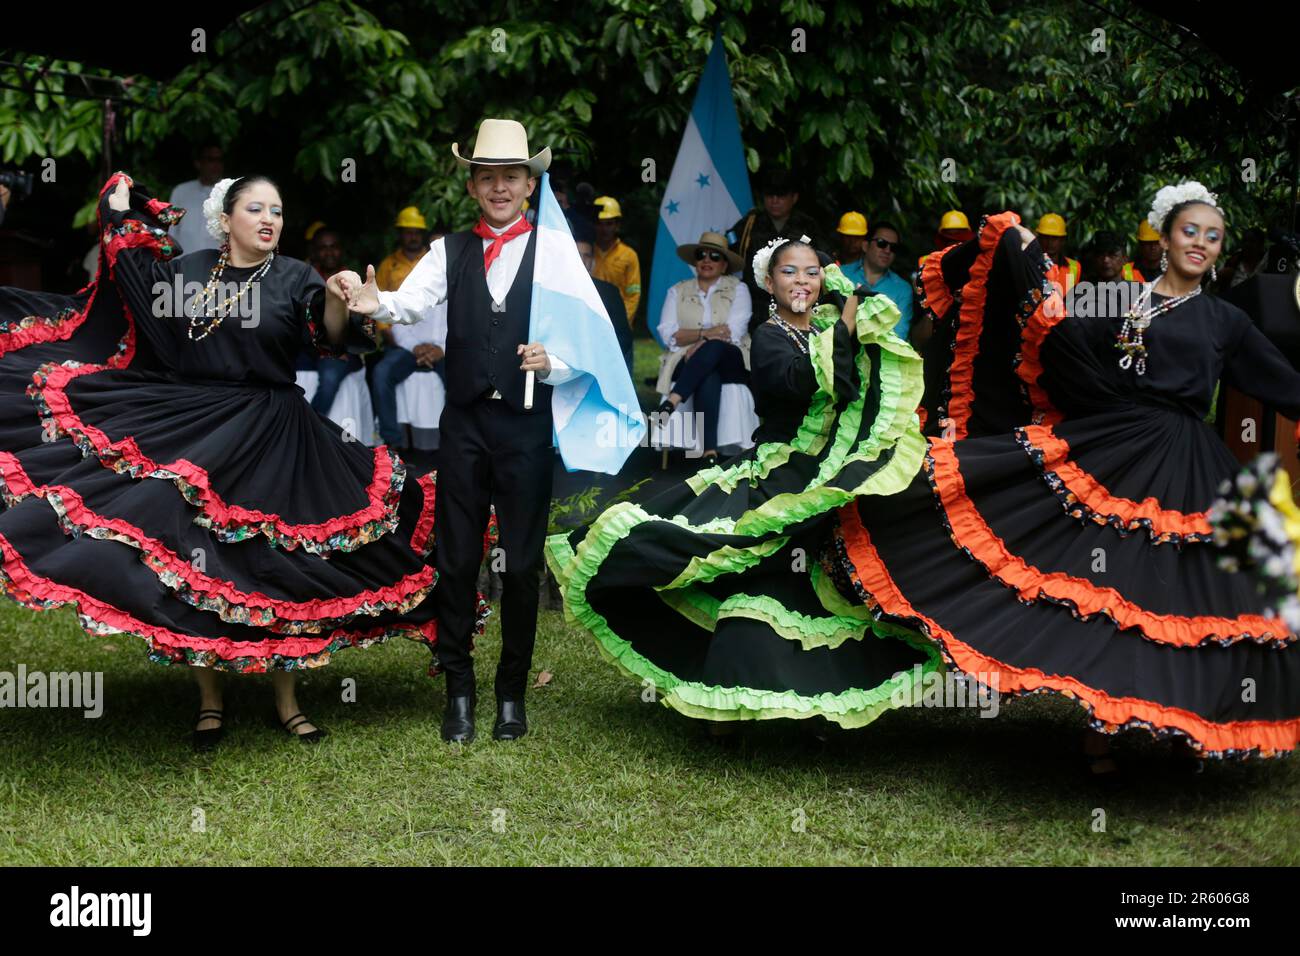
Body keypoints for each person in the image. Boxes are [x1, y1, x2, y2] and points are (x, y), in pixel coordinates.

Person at [829, 182, 1300, 769]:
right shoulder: (1118, 299)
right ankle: (1099, 725)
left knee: (1186, 594)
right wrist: (1027, 258)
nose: (1200, 243)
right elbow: (1060, 341)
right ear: (1163, 236)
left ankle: (1174, 716)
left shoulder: (1226, 320)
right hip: (1117, 446)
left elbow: (1282, 383)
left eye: (1213, 236)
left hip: (1187, 458)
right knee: (1104, 586)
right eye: (1189, 231)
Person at [0, 172, 462, 751]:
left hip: (275, 427)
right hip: (198, 425)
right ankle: (209, 701)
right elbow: (135, 292)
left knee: (280, 558)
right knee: (196, 557)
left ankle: (288, 702)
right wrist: (119, 209)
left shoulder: (295, 275)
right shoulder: (189, 272)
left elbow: (330, 336)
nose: (269, 219)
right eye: (256, 209)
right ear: (227, 218)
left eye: (277, 210)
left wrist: (344, 303)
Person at [546, 236, 942, 737]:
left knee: (808, 586)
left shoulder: (822, 327)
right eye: (790, 272)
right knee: (758, 571)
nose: (802, 281)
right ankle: (730, 702)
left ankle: (806, 701)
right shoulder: (769, 336)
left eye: (812, 272)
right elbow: (804, 383)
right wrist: (846, 319)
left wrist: (849, 316)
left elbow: (855, 385)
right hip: (778, 477)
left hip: (823, 473)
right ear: (769, 284)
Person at [343, 118, 579, 744]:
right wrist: (374, 304)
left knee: (524, 563)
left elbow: (592, 345)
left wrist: (552, 363)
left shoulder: (555, 249)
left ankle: (511, 695)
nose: (499, 187)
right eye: (487, 177)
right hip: (466, 423)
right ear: (473, 185)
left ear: (529, 184)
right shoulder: (449, 249)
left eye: (511, 176)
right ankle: (460, 692)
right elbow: (411, 302)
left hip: (527, 427)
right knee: (456, 558)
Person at [652, 231, 752, 465]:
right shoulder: (677, 290)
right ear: (695, 261)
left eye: (715, 256)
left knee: (716, 348)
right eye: (701, 255)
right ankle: (710, 451)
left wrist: (699, 341)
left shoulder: (738, 289)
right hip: (685, 358)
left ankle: (673, 401)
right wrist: (707, 334)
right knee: (709, 372)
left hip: (731, 358)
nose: (707, 260)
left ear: (724, 263)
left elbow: (733, 333)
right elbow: (668, 334)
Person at [371, 228, 449, 451]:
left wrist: (441, 349)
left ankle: (456, 442)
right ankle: (392, 443)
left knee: (464, 378)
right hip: (410, 349)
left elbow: (467, 326)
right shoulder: (413, 279)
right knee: (381, 373)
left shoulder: (464, 280)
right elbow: (397, 319)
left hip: (447, 350)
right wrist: (416, 348)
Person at [730, 167, 827, 332]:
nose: (774, 200)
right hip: (754, 305)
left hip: (796, 304)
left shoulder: (807, 225)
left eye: (781, 195)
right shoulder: (750, 223)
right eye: (769, 195)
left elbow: (823, 262)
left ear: (794, 197)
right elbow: (729, 253)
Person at [305, 228, 365, 417]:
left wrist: (338, 349)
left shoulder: (353, 280)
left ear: (341, 250)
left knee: (329, 378)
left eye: (334, 247)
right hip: (309, 349)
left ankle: (308, 428)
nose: (329, 252)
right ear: (314, 251)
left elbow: (364, 325)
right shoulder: (306, 278)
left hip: (344, 352)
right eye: (323, 248)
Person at [569, 212, 632, 376]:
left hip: (601, 370)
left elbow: (623, 338)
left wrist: (597, 359)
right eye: (576, 255)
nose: (581, 261)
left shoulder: (609, 293)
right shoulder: (553, 290)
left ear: (592, 262)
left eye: (586, 256)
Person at [840, 220, 914, 341]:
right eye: (881, 243)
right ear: (865, 246)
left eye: (893, 247)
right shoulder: (841, 274)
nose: (887, 250)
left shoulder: (903, 289)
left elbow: (899, 336)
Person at [592, 195, 642, 328]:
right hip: (589, 319)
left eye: (609, 223)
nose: (604, 229)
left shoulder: (629, 255)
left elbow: (633, 295)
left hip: (618, 323)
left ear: (617, 225)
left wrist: (622, 323)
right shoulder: (585, 253)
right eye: (599, 223)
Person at [168, 142, 224, 255]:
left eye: (219, 160)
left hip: (216, 268)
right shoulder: (180, 192)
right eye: (211, 160)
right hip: (182, 266)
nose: (216, 165)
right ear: (198, 163)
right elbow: (171, 232)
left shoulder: (229, 193)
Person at [1034, 212, 1081, 294]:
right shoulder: (1031, 265)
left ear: (1062, 240)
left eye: (1054, 238)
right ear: (1039, 238)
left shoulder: (1074, 267)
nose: (1049, 242)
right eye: (1046, 237)